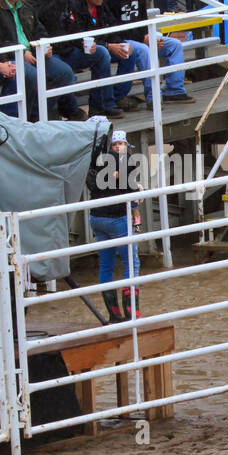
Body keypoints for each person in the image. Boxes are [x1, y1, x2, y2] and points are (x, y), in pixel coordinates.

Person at [25, 0, 118, 118]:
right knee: (64, 72)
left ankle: (101, 105)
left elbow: (73, 24)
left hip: (68, 49)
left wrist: (81, 42)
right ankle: (60, 113)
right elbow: (46, 20)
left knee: (101, 54)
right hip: (49, 52)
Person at [105, 0, 192, 106]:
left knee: (175, 45)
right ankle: (153, 98)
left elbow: (143, 20)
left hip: (139, 36)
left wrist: (149, 36)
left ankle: (174, 89)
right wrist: (144, 38)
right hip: (122, 39)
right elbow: (114, 27)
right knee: (144, 51)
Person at [0, 0, 74, 119]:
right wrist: (22, 52)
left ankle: (37, 115)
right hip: (9, 57)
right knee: (31, 75)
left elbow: (39, 30)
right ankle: (12, 118)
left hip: (32, 53)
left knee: (64, 74)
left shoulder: (26, 6)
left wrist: (44, 45)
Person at [88, 129, 143, 323]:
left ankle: (114, 315)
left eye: (121, 144)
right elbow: (132, 198)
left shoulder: (95, 162)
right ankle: (132, 314)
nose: (119, 147)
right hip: (117, 219)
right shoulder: (128, 163)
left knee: (106, 266)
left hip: (96, 219)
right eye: (117, 144)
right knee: (131, 263)